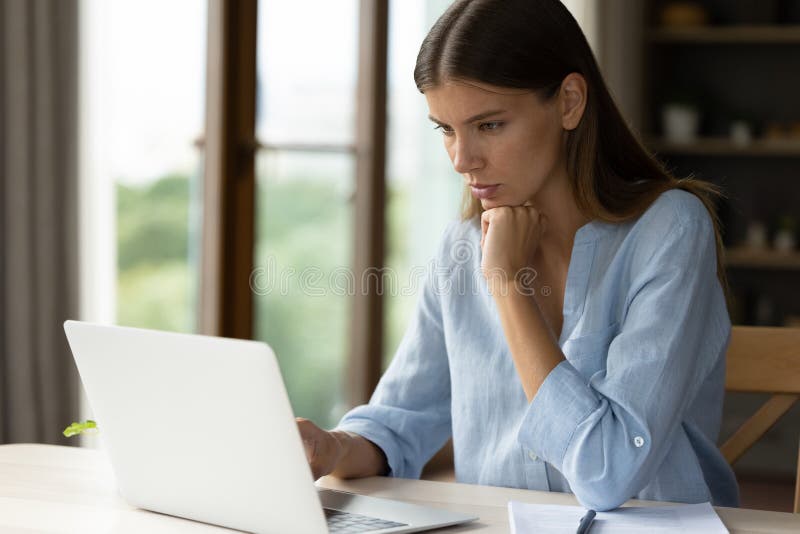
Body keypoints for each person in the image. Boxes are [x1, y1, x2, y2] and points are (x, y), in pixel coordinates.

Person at [296, 0, 739, 512]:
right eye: (445, 129)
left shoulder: (670, 229)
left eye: (489, 125)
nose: (463, 159)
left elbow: (608, 473)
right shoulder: (462, 246)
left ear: (570, 101)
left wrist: (507, 286)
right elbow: (400, 421)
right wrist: (330, 447)